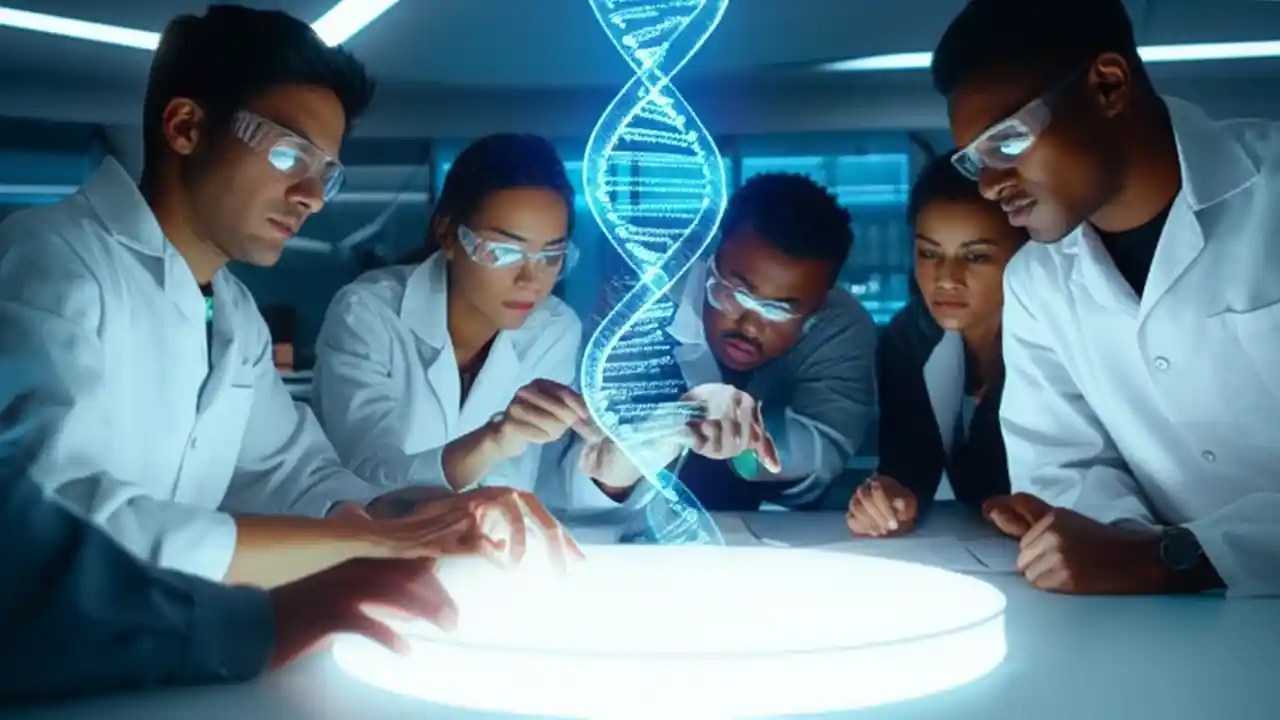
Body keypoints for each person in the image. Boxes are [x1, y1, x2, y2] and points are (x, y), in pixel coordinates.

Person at [0, 6, 578, 589]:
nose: (312, 196)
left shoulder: (231, 314)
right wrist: (366, 538)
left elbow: (297, 475)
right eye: (287, 154)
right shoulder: (49, 256)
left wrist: (432, 511)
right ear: (185, 128)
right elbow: (47, 512)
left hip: (151, 639)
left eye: (326, 173)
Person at [934, 0, 1280, 596]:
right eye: (974, 162)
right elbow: (1064, 469)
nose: (990, 185)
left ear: (1108, 85)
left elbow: (1152, 557)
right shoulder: (1037, 284)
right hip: (1175, 621)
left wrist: (1168, 557)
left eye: (1008, 142)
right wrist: (1107, 545)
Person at [0, 328, 456, 700]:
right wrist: (260, 620)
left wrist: (394, 514)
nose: (311, 208)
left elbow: (289, 466)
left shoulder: (233, 310)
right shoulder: (51, 258)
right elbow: (48, 529)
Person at [313, 134, 630, 513]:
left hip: (491, 557)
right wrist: (495, 438)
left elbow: (544, 484)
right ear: (448, 234)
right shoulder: (369, 311)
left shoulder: (554, 328)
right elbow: (368, 476)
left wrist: (617, 468)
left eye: (551, 255)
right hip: (372, 549)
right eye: (503, 251)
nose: (531, 279)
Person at [572, 173, 877, 512]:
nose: (749, 325)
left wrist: (738, 447)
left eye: (778, 310)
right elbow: (591, 466)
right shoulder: (640, 302)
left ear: (817, 309)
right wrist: (681, 420)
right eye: (734, 292)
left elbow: (822, 453)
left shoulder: (841, 326)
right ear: (713, 258)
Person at [847, 154, 1028, 538]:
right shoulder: (909, 338)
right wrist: (889, 501)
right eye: (929, 253)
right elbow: (909, 467)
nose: (946, 278)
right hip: (981, 547)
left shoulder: (1063, 341)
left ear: (1026, 256)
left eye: (975, 256)